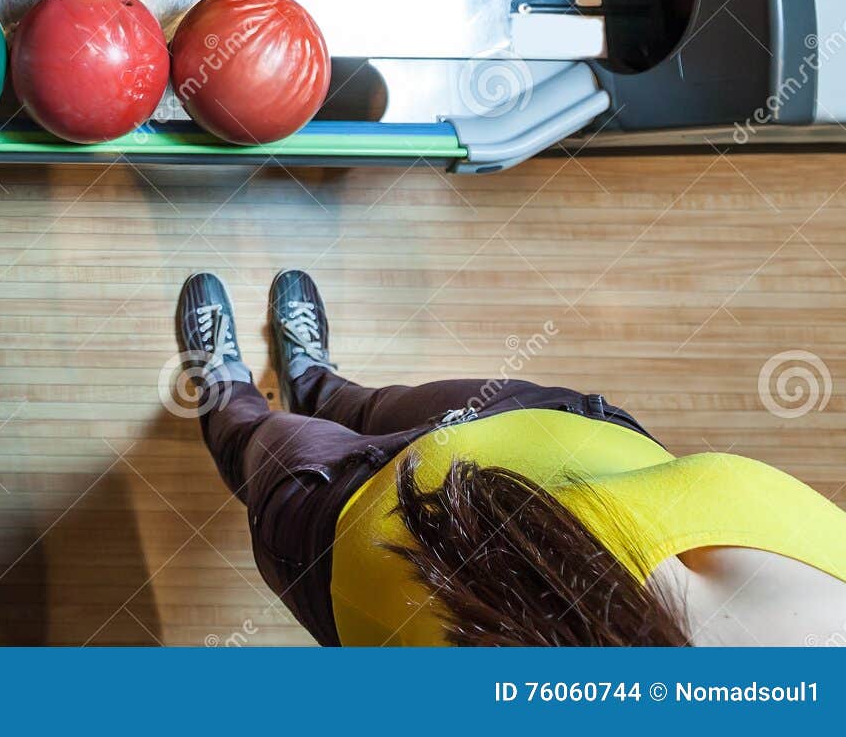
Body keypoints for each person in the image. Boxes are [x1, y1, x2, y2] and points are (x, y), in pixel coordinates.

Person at [176, 270, 846, 645]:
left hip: (347, 531)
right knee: (364, 403)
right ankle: (315, 379)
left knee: (251, 439)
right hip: (545, 427)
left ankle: (225, 389)